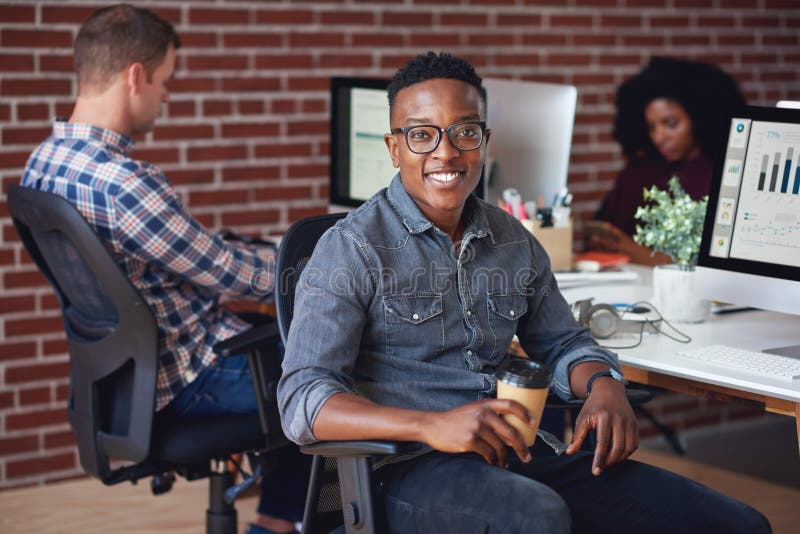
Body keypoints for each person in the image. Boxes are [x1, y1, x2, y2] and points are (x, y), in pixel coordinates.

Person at [277, 51, 770, 534]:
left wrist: (603, 383)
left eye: (464, 132)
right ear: (394, 148)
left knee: (739, 524)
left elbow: (563, 344)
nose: (445, 153)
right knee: (536, 516)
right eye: (422, 135)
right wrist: (430, 425)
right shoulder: (351, 250)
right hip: (407, 468)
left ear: (484, 140)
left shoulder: (513, 241)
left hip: (518, 451)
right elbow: (304, 401)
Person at [21, 5, 308, 534]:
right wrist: (316, 265)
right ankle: (279, 524)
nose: (167, 96)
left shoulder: (43, 163)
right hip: (191, 376)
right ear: (136, 76)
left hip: (123, 381)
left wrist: (268, 250)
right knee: (337, 363)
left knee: (294, 345)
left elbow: (186, 255)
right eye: (165, 81)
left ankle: (276, 517)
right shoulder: (124, 182)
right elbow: (232, 275)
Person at [588, 56, 746, 265]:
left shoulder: (724, 175)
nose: (658, 137)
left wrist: (636, 252)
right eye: (651, 127)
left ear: (699, 119)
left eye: (671, 124)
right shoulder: (638, 173)